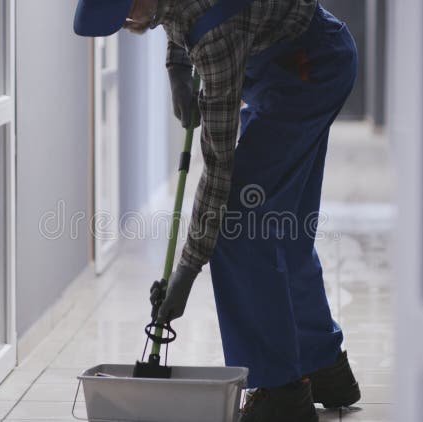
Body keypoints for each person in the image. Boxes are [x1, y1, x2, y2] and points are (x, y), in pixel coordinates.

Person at [74, 0, 361, 420]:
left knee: (237, 228)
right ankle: (322, 363)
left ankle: (280, 391)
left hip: (309, 71)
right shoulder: (175, 12)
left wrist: (186, 272)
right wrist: (176, 73)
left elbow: (218, 170)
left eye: (127, 16)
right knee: (283, 230)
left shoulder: (217, 37)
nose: (130, 26)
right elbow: (174, 15)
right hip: (294, 64)